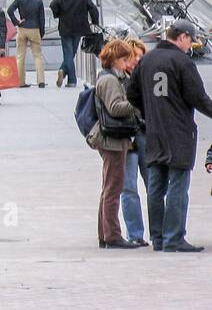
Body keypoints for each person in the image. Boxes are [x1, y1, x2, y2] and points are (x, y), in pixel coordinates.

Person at [126, 20, 212, 252]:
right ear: (183, 37)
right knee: (178, 185)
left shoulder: (146, 60)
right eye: (190, 41)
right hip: (179, 132)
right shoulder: (182, 62)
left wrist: (150, 110)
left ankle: (159, 237)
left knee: (156, 185)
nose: (190, 46)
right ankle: (174, 237)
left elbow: (131, 93)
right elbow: (198, 98)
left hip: (154, 130)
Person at [88, 39, 144, 249]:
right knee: (114, 187)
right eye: (125, 59)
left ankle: (105, 234)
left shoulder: (106, 78)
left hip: (110, 140)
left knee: (109, 187)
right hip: (112, 141)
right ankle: (112, 235)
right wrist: (136, 103)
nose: (127, 63)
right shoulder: (110, 80)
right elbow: (115, 107)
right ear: (116, 59)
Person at [120, 38, 151, 247]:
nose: (138, 60)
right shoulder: (118, 79)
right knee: (129, 187)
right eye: (134, 56)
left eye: (142, 56)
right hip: (127, 137)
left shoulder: (149, 78)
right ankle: (135, 233)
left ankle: (160, 230)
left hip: (146, 134)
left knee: (155, 184)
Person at [49, 0, 99, 89]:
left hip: (65, 28)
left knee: (68, 52)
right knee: (72, 53)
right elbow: (93, 8)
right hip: (80, 28)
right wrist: (95, 22)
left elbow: (52, 5)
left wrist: (58, 14)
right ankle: (63, 70)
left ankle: (71, 79)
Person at [7, 0, 46, 88]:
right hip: (34, 29)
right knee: (37, 56)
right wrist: (41, 33)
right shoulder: (38, 1)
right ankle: (41, 81)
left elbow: (10, 10)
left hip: (22, 28)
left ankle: (20, 82)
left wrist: (16, 22)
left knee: (20, 56)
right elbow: (42, 19)